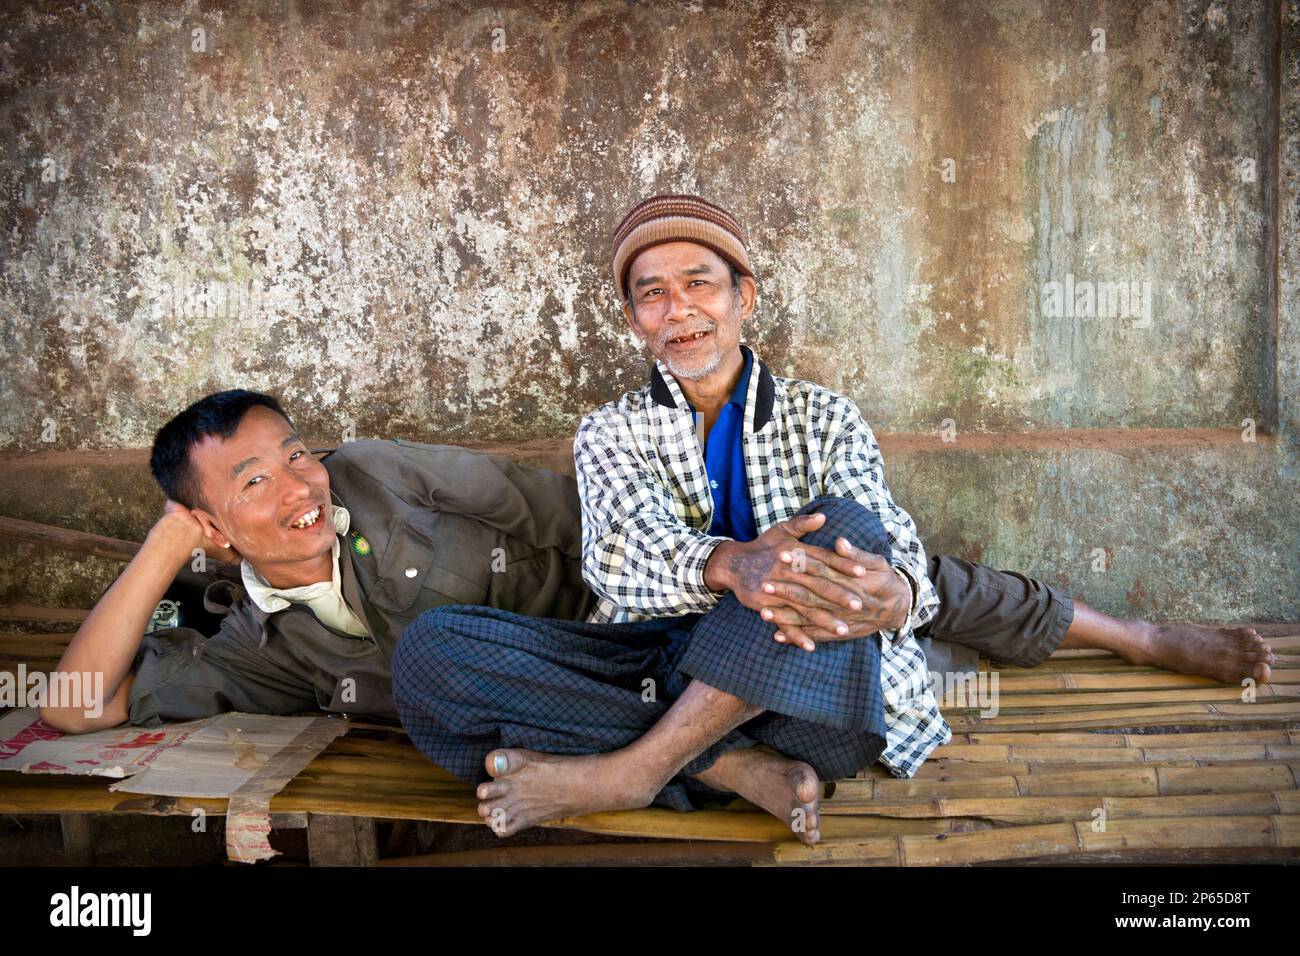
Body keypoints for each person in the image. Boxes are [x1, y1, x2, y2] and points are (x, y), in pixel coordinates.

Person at [392, 195, 1277, 845]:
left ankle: (635, 770)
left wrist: (889, 592)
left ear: (743, 296)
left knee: (843, 529)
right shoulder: (610, 431)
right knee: (432, 656)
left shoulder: (825, 415)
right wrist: (732, 565)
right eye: (653, 294)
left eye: (700, 283)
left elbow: (884, 540)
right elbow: (618, 559)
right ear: (633, 320)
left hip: (811, 698)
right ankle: (729, 768)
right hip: (652, 667)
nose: (680, 310)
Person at [39, 389, 593, 733]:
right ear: (212, 527)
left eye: (297, 455)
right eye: (254, 481)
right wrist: (168, 541)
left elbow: (564, 512)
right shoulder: (262, 650)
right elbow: (73, 706)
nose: (300, 489)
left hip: (614, 626)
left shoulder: (381, 474)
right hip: (556, 722)